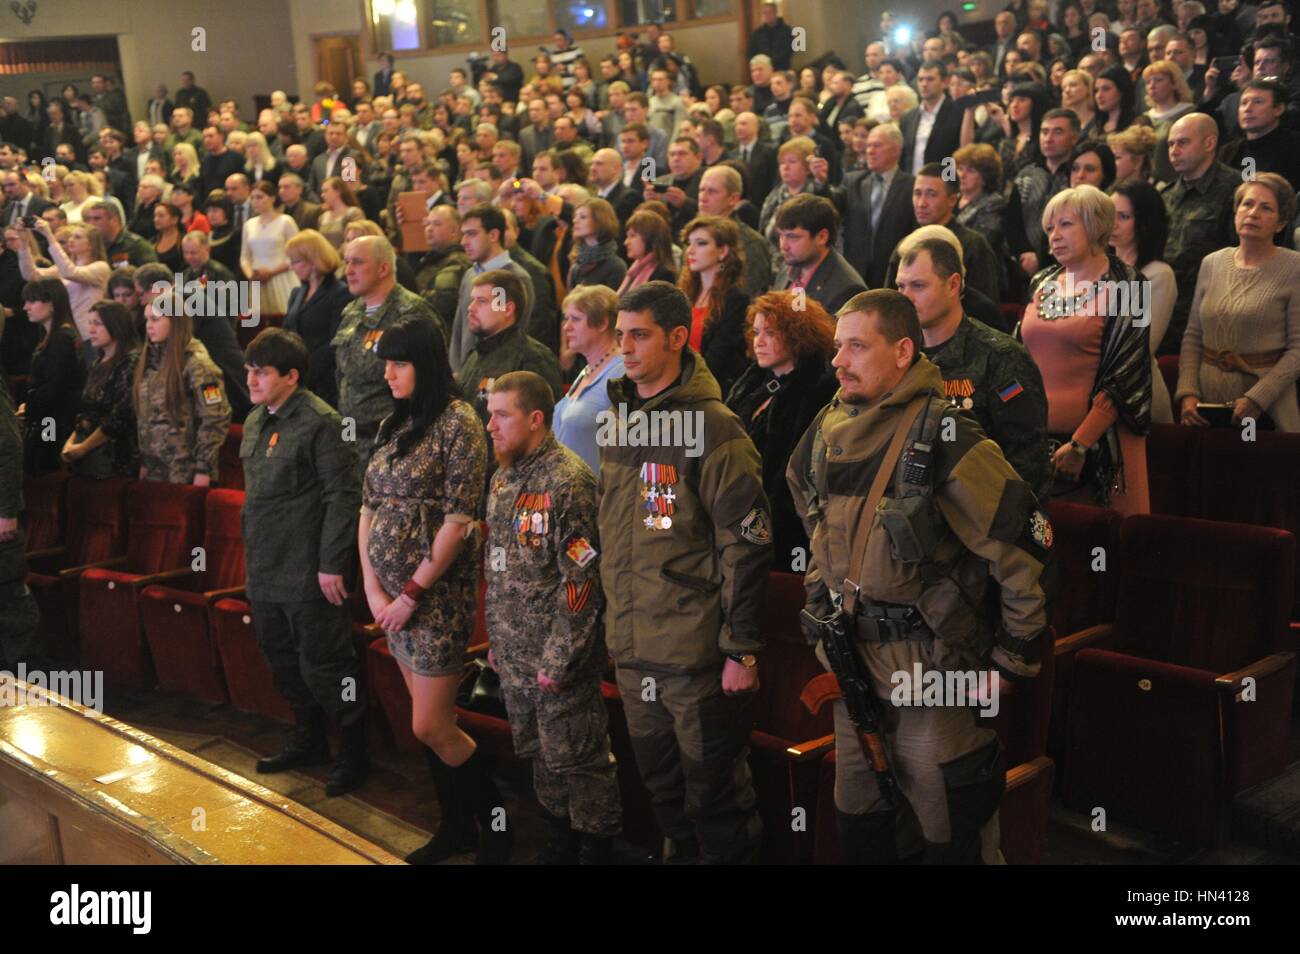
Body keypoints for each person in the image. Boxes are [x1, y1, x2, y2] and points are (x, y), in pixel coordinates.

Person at [786, 288, 1052, 864]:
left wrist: (1014, 658)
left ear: (902, 351)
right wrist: (818, 603)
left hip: (931, 665)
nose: (838, 361)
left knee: (951, 834)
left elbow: (1020, 547)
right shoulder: (827, 427)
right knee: (861, 830)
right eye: (837, 347)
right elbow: (813, 520)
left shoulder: (946, 435)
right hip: (852, 663)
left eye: (857, 347)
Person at [600, 280, 771, 864]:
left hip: (695, 656)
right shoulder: (621, 420)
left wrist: (741, 647)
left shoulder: (715, 427)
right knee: (663, 793)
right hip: (634, 648)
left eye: (640, 335)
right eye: (620, 335)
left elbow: (746, 545)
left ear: (678, 337)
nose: (625, 347)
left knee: (716, 800)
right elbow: (616, 538)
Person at [357, 315, 508, 864]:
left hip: (435, 599)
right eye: (385, 365)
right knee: (428, 728)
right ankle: (456, 829)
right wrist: (374, 589)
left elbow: (459, 520)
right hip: (392, 601)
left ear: (424, 363)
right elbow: (367, 508)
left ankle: (495, 822)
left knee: (430, 723)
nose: (389, 375)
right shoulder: (393, 424)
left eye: (399, 364)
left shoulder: (459, 421)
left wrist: (410, 594)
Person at [482, 371, 621, 864]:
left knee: (580, 761)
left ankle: (594, 851)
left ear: (535, 419)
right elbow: (498, 568)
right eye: (490, 412)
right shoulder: (503, 477)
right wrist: (497, 644)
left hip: (558, 657)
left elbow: (582, 579)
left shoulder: (570, 482)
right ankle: (558, 844)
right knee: (540, 757)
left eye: (502, 415)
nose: (491, 425)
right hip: (515, 654)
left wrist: (560, 658)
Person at [241, 328, 369, 797]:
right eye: (249, 370)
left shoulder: (321, 422)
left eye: (262, 372)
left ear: (291, 376)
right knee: (281, 661)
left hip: (310, 570)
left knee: (328, 665)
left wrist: (333, 563)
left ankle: (354, 749)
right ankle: (309, 737)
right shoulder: (257, 419)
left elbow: (343, 497)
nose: (251, 379)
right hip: (265, 566)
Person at [1021, 185, 1151, 514]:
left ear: (1095, 226)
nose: (1054, 236)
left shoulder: (1131, 285)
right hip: (1033, 444)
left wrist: (1080, 444)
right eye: (1050, 227)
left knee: (1096, 552)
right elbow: (1018, 360)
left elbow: (1128, 375)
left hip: (1100, 450)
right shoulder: (1042, 280)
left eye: (1066, 224)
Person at [896, 236, 1052, 498]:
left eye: (919, 286)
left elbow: (1028, 464)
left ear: (953, 284)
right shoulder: (899, 355)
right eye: (900, 286)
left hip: (980, 514)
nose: (906, 297)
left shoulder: (1001, 357)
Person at [1176, 174, 1300, 432]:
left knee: (1257, 471)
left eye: (1266, 208)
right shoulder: (1212, 262)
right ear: (1235, 212)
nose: (1253, 213)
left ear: (1281, 223)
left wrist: (1257, 399)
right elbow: (1193, 336)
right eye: (1247, 204)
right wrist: (1187, 391)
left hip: (1267, 407)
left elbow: (1298, 351)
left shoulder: (1294, 267)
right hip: (1205, 406)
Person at [724, 290, 837, 569]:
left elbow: (793, 480)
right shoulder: (752, 381)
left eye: (770, 333)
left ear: (796, 336)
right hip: (734, 514)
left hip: (782, 531)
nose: (758, 342)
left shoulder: (814, 393)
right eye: (756, 332)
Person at [333, 235, 444, 479]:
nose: (348, 271)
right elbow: (343, 375)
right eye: (346, 262)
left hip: (393, 438)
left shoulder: (411, 312)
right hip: (351, 436)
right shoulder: (352, 311)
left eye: (357, 263)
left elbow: (430, 379)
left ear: (383, 268)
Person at [1161, 112, 1238, 356]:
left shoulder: (1236, 190)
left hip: (1210, 313)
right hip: (1167, 310)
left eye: (1183, 142)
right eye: (1171, 144)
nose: (1174, 150)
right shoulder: (1165, 194)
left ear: (1209, 143)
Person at [134, 296, 230, 485]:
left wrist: (204, 468)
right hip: (155, 469)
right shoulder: (151, 360)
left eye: (155, 319)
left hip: (186, 471)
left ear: (175, 321)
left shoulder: (197, 364)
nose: (148, 326)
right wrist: (145, 461)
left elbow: (216, 416)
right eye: (147, 319)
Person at [456, 269, 562, 425]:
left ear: (507, 309)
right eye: (472, 300)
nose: (471, 307)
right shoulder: (474, 354)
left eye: (482, 301)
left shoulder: (533, 359)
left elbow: (543, 427)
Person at [1110, 181, 1176, 422]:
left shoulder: (1157, 274)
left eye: (1124, 216)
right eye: (1110, 214)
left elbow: (1140, 348)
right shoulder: (1099, 268)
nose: (1113, 224)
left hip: (1137, 396)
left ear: (1145, 223)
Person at [448, 204, 535, 373]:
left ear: (494, 235)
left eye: (471, 234)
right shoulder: (469, 275)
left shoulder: (514, 278)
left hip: (497, 376)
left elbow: (507, 328)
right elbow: (459, 327)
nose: (463, 242)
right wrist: (456, 371)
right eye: (463, 234)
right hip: (466, 373)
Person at [62, 299, 138, 477]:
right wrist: (71, 442)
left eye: (98, 324)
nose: (91, 330)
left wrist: (83, 448)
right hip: (89, 454)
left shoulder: (131, 362)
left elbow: (119, 417)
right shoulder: (97, 362)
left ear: (116, 325)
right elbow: (87, 411)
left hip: (115, 458)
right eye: (90, 323)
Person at [553, 286, 624, 472]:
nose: (566, 327)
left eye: (575, 319)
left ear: (602, 323)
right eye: (566, 319)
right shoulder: (588, 369)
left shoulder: (620, 372)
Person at [16, 278, 84, 473]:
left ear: (52, 303)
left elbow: (54, 389)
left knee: (47, 467)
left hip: (53, 421)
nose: (25, 307)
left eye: (31, 301)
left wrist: (29, 406)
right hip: (50, 418)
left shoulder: (61, 338)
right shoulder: (53, 336)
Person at [680, 215, 751, 397]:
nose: (691, 250)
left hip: (709, 391)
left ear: (723, 251)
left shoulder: (735, 299)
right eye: (689, 243)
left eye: (701, 243)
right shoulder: (685, 293)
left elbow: (717, 360)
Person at [15, 217, 110, 352]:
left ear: (91, 245)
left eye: (77, 237)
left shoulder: (101, 267)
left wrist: (49, 235)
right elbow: (30, 275)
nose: (71, 240)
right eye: (71, 236)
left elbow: (70, 272)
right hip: (67, 333)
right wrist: (23, 242)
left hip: (89, 335)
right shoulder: (61, 268)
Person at [284, 230, 351, 409]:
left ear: (313, 261)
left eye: (295, 261)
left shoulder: (340, 293)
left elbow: (335, 341)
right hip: (297, 378)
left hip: (325, 382)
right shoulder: (297, 293)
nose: (291, 267)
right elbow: (286, 333)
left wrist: (304, 373)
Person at [772, 192, 868, 316]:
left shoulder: (847, 289)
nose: (783, 246)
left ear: (822, 237)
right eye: (781, 235)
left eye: (793, 237)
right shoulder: (789, 266)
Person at [241, 180, 301, 314]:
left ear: (272, 198)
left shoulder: (286, 221)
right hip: (258, 280)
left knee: (285, 315)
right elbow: (244, 257)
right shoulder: (249, 224)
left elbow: (297, 254)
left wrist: (271, 272)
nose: (255, 201)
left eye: (260, 197)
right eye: (253, 198)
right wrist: (251, 274)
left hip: (281, 277)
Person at [414, 205, 471, 330]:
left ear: (454, 230)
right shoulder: (432, 258)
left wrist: (411, 296)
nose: (429, 229)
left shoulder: (457, 262)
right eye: (427, 224)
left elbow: (442, 302)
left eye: (437, 224)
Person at [1143, 60, 1197, 184]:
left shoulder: (1188, 114)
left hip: (1178, 181)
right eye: (1148, 82)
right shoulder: (1143, 118)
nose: (1152, 85)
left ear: (1174, 84)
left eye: (1159, 80)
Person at [567, 198, 627, 291]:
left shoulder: (615, 267)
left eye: (583, 217)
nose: (575, 220)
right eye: (575, 216)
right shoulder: (577, 265)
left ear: (600, 220)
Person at [616, 209, 677, 296]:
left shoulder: (663, 275)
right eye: (627, 236)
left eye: (632, 236)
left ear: (650, 238)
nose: (626, 242)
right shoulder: (635, 268)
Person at [317, 176, 365, 251]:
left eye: (325, 191)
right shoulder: (323, 217)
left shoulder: (354, 213)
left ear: (338, 192)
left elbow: (357, 240)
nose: (322, 195)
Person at [204, 190, 241, 274]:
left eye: (215, 210)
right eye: (208, 211)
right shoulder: (209, 235)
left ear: (226, 211)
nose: (211, 215)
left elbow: (238, 265)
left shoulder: (236, 234)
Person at [151, 203, 185, 272]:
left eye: (161, 216)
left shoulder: (184, 241)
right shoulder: (152, 241)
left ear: (175, 219)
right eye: (155, 216)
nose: (156, 219)